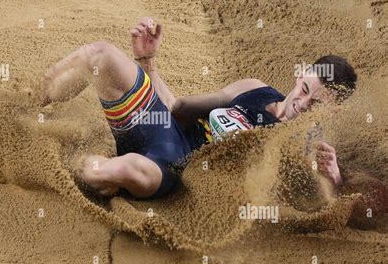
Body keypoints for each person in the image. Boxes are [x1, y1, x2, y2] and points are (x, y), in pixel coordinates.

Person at [42, 17, 357, 199]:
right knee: (101, 54)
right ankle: (32, 102)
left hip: (173, 166)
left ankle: (55, 166)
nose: (302, 105)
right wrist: (147, 61)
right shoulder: (254, 89)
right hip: (163, 128)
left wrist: (335, 182)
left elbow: (319, 212)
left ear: (330, 113)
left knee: (120, 168)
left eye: (315, 104)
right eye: (304, 90)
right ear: (300, 75)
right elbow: (176, 106)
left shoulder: (305, 151)